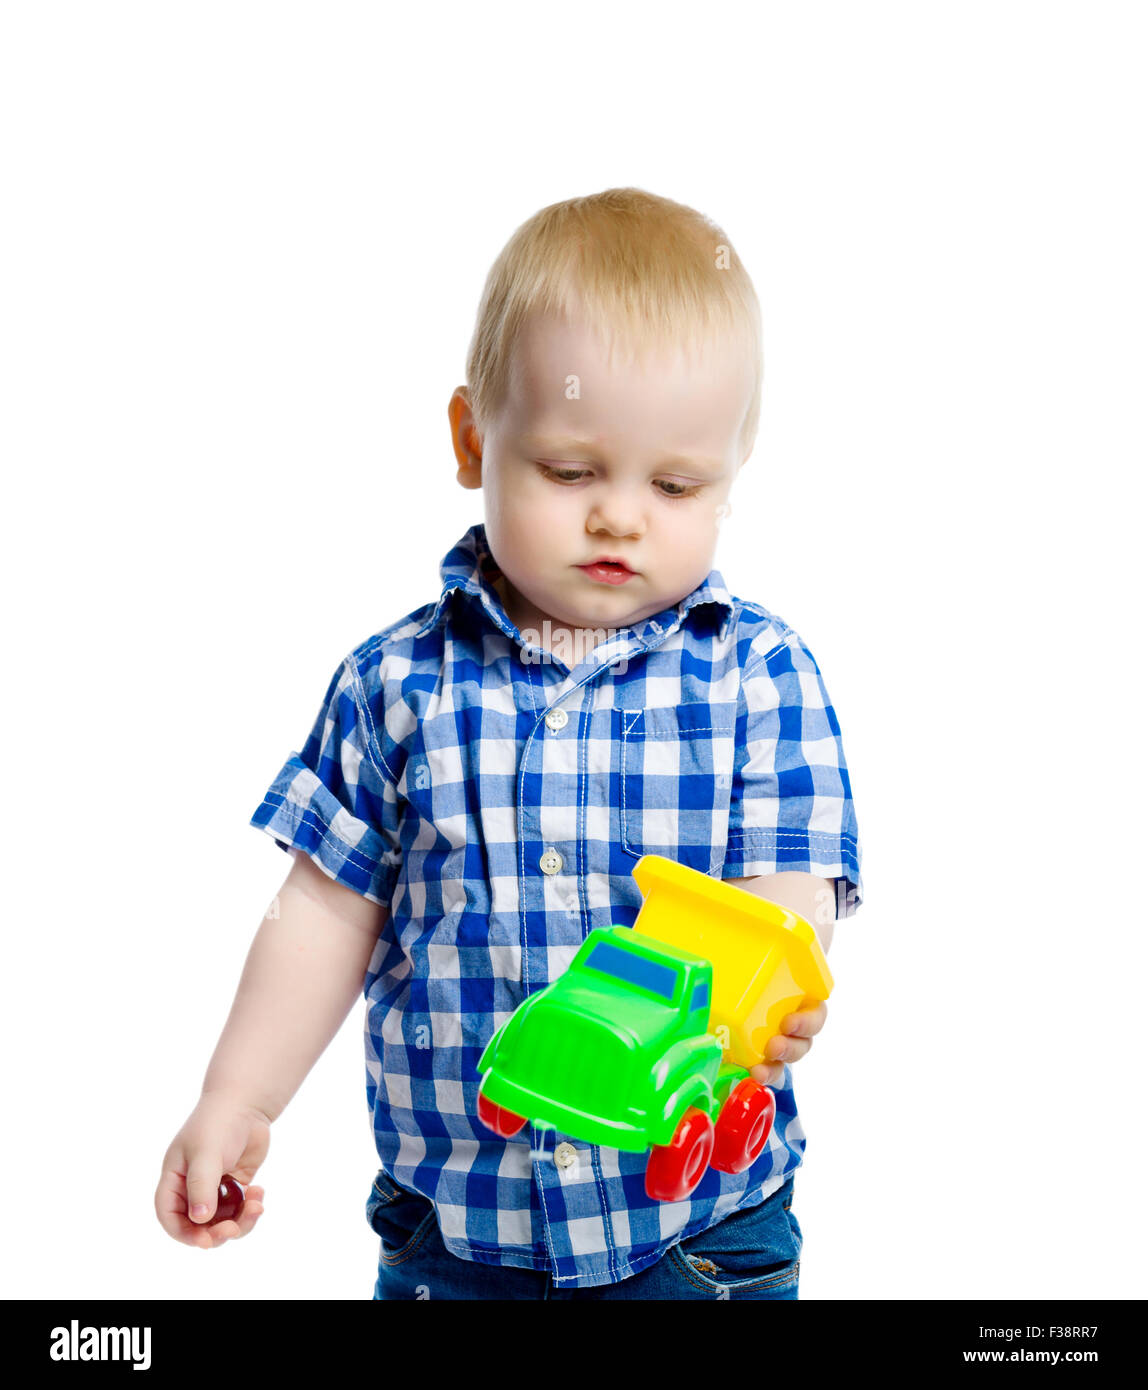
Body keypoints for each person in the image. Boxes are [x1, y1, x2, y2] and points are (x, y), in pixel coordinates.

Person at [154, 187, 863, 1299]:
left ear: (730, 469)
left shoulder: (758, 676)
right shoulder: (395, 684)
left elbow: (782, 900)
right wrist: (234, 1099)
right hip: (458, 1236)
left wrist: (759, 1010)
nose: (620, 516)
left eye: (675, 484)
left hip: (691, 1231)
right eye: (570, 470)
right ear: (472, 436)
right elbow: (325, 914)